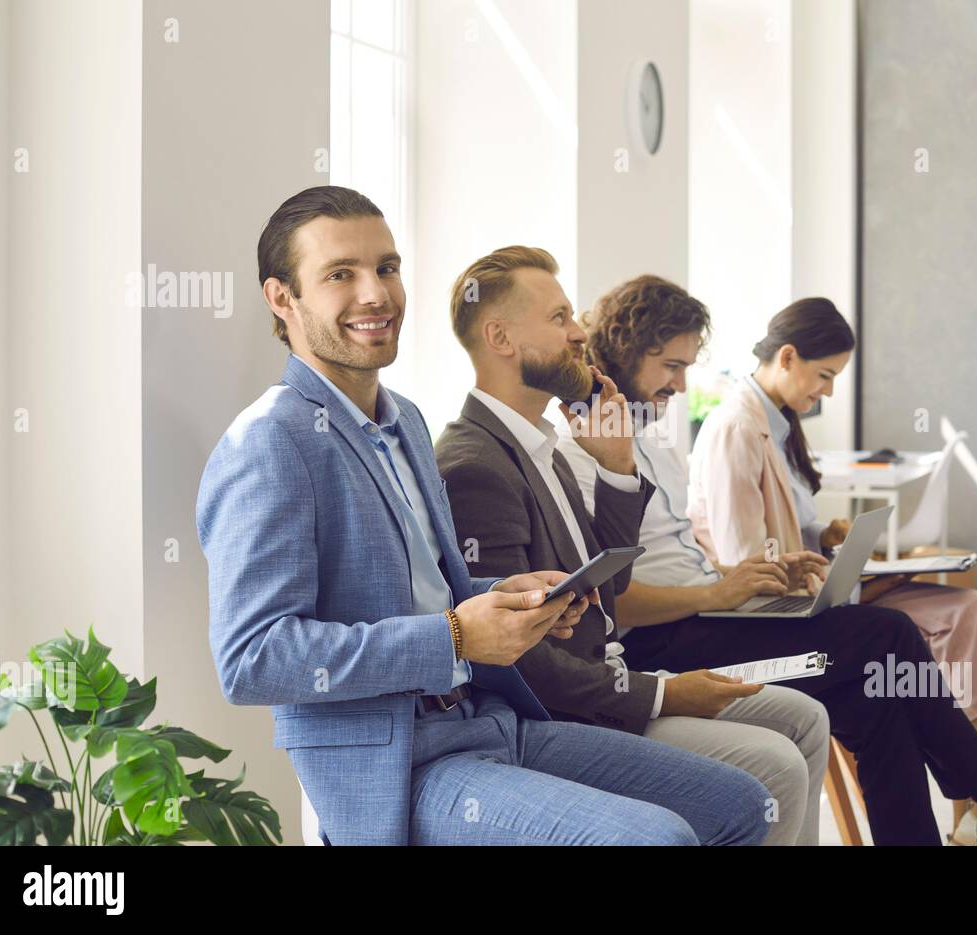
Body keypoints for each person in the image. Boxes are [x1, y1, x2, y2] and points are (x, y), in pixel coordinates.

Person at [195, 188, 769, 846]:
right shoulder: (269, 442)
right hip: (401, 766)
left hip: (494, 719)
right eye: (339, 274)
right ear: (281, 298)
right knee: (656, 838)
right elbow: (251, 659)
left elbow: (437, 589)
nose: (376, 294)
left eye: (386, 267)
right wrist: (454, 637)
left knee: (740, 803)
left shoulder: (403, 420)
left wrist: (508, 598)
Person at [558, 273, 977, 846]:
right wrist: (717, 592)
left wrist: (736, 580)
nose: (682, 385)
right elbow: (614, 599)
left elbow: (677, 562)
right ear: (630, 350)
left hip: (707, 615)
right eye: (671, 367)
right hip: (668, 642)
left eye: (685, 368)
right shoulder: (586, 454)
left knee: (880, 699)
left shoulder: (649, 444)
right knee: (888, 635)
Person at [434, 246, 829, 845]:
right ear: (501, 338)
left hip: (610, 678)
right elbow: (524, 666)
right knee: (772, 765)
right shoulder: (476, 465)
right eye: (560, 318)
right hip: (571, 710)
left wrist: (617, 468)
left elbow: (607, 589)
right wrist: (666, 690)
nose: (577, 333)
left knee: (804, 716)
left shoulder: (544, 444)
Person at [686, 297, 977, 843]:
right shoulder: (737, 428)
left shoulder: (778, 423)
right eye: (824, 376)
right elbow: (743, 562)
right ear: (789, 357)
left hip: (812, 591)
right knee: (940, 627)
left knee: (966, 610)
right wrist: (819, 569)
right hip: (773, 613)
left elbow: (781, 531)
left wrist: (826, 537)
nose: (828, 392)